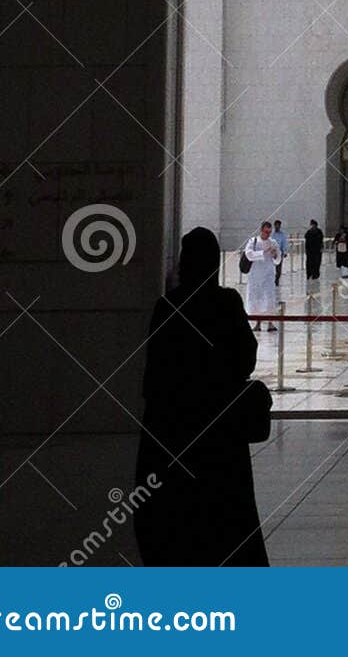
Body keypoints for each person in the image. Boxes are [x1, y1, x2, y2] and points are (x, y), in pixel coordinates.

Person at [135, 227, 268, 566]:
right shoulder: (226, 303)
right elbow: (246, 358)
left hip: (175, 433)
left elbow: (155, 377)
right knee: (227, 525)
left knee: (177, 526)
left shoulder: (167, 307)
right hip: (220, 435)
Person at [243, 221, 279, 331]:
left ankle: (270, 323)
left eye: (269, 232)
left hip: (268, 276)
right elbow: (249, 254)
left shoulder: (273, 242)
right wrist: (263, 252)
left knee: (269, 299)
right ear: (261, 230)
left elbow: (278, 259)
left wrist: (274, 254)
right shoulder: (253, 241)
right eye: (266, 232)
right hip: (255, 276)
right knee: (256, 300)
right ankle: (257, 323)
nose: (268, 234)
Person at [303, 219, 324, 283]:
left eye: (313, 225)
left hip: (317, 251)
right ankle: (309, 274)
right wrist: (306, 250)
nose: (312, 226)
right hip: (310, 251)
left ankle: (315, 275)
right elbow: (306, 240)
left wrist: (321, 248)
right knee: (309, 263)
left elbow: (321, 241)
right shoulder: (309, 232)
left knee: (317, 263)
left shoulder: (319, 232)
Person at [272, 219, 288, 288]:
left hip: (279, 253)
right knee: (270, 268)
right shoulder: (271, 234)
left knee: (278, 269)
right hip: (271, 253)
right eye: (276, 225)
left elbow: (284, 243)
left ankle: (276, 279)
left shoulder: (282, 235)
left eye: (278, 226)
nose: (277, 227)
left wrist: (285, 252)